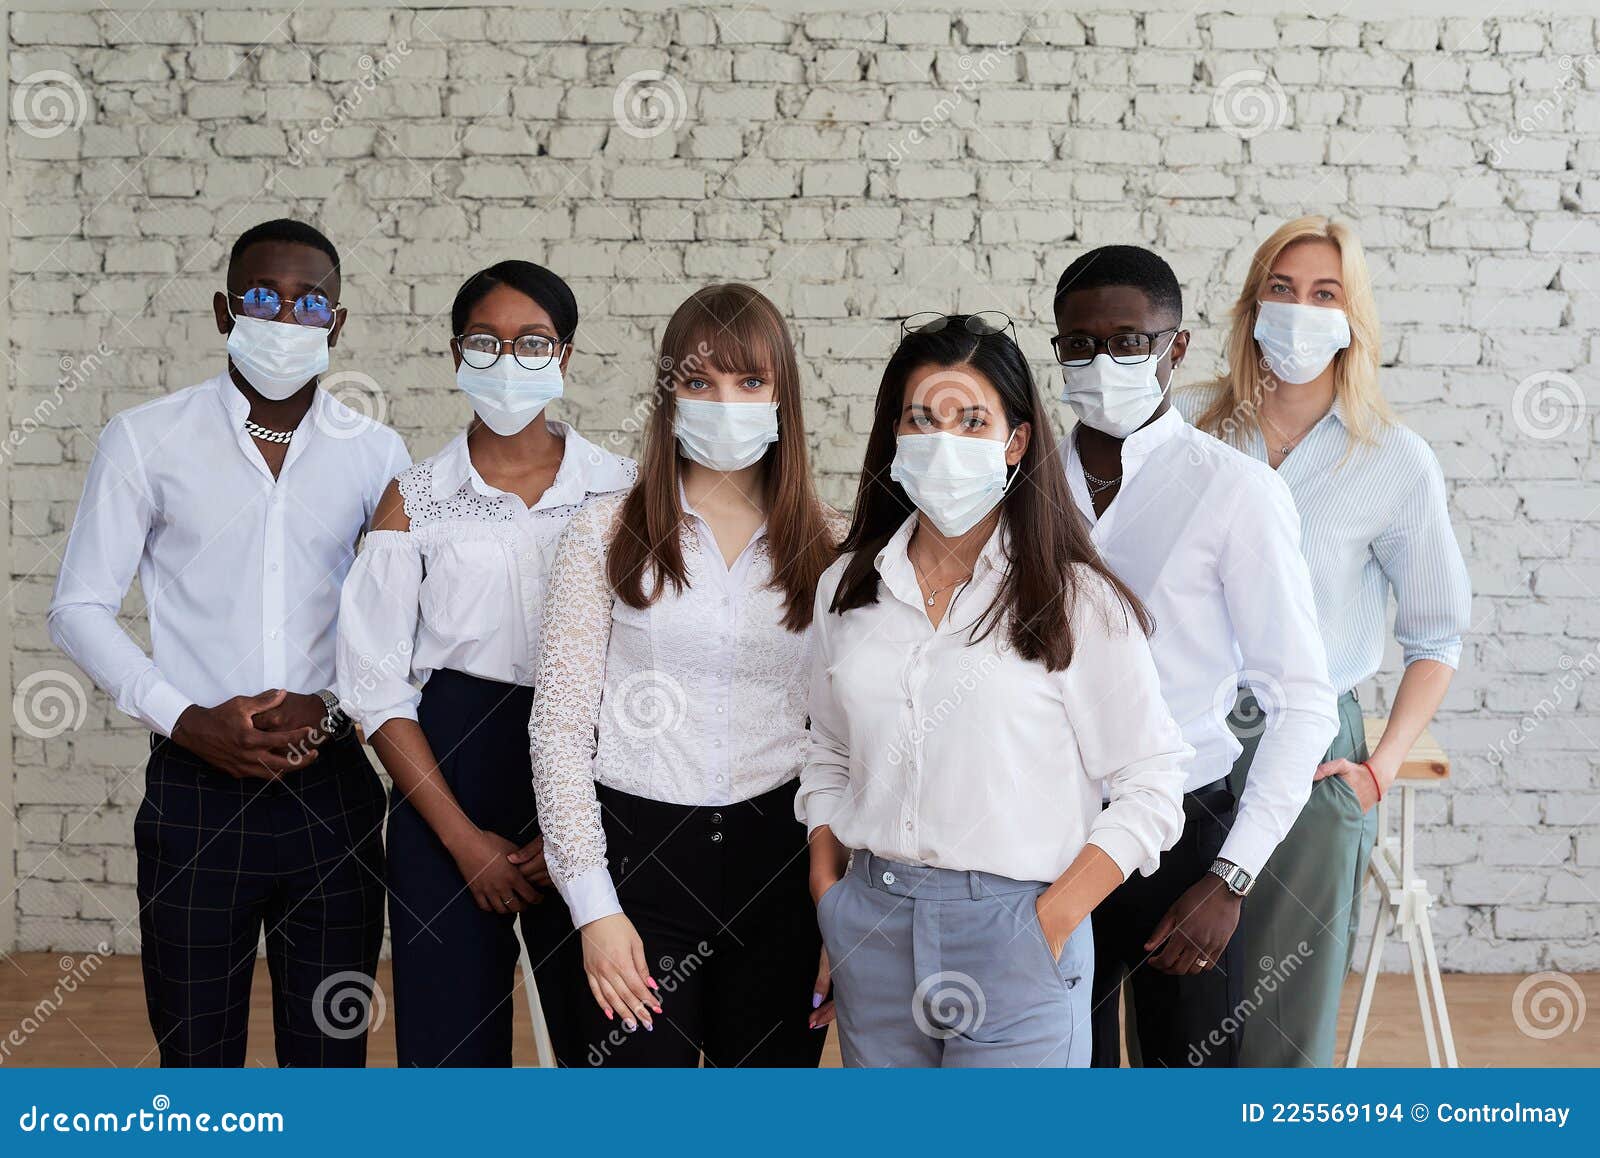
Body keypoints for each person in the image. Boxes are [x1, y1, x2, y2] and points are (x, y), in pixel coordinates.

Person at [48, 218, 409, 1067]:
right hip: (193, 791)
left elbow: (401, 620)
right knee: (196, 1050)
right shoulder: (145, 439)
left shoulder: (376, 453)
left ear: (336, 323)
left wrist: (339, 701)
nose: (286, 318)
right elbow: (78, 606)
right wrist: (186, 717)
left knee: (329, 1057)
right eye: (262, 297)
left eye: (308, 301)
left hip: (333, 793)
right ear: (223, 312)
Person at [798, 312, 1190, 1068]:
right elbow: (827, 747)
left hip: (1017, 929)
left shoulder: (1078, 600)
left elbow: (1152, 781)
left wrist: (1051, 918)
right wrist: (830, 892)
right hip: (872, 925)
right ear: (895, 437)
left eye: (972, 420)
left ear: (1015, 443)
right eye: (923, 418)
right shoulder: (845, 591)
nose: (944, 441)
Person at [1180, 216, 1472, 1067]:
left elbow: (1436, 635)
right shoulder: (1187, 427)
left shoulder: (1394, 459)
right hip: (1178, 738)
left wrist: (1380, 765)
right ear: (1251, 306)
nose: (1300, 310)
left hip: (1308, 754)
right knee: (1175, 997)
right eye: (1282, 289)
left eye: (1324, 294)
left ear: (1352, 320)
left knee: (1281, 1018)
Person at [530, 283, 844, 1067]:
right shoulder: (602, 531)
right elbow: (559, 729)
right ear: (670, 394)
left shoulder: (834, 546)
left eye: (749, 382)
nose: (724, 402)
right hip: (636, 866)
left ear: (783, 397)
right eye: (700, 382)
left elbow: (848, 744)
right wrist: (594, 908)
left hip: (784, 866)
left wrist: (841, 914)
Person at [336, 261, 635, 1067]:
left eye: (532, 342)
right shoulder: (416, 497)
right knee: (447, 1046)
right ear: (456, 354)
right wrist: (466, 842)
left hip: (589, 774)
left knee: (604, 1038)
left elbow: (649, 661)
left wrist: (570, 828)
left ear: (565, 357)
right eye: (485, 341)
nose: (508, 360)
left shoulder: (624, 491)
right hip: (448, 775)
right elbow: (374, 690)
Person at [1052, 246, 1338, 1068]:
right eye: (1079, 344)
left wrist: (1231, 877)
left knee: (1191, 1086)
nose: (1103, 362)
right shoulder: (1021, 487)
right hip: (1045, 837)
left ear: (1175, 349)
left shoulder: (1235, 490)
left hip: (1180, 839)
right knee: (1065, 1084)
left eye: (1130, 342)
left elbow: (1303, 698)